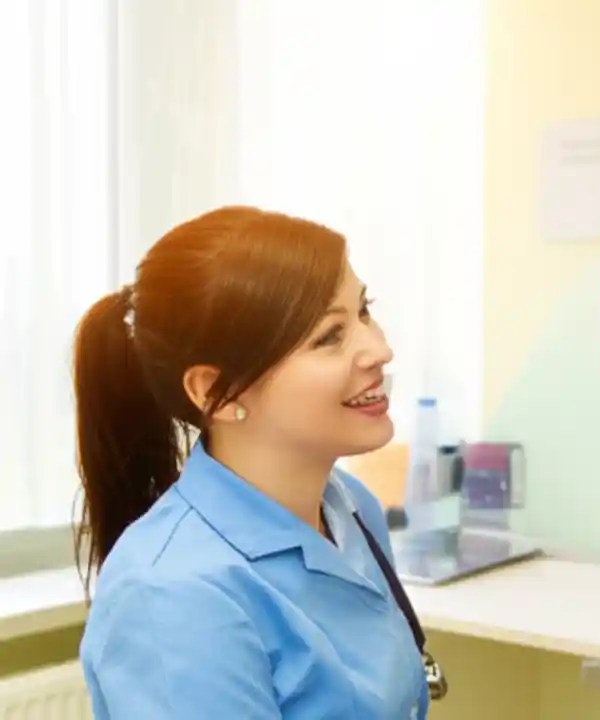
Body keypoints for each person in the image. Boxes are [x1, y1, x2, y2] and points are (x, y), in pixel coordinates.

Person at [74, 206, 432, 719]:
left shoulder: (351, 509)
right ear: (215, 394)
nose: (380, 349)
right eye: (329, 336)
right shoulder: (173, 596)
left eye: (364, 311)